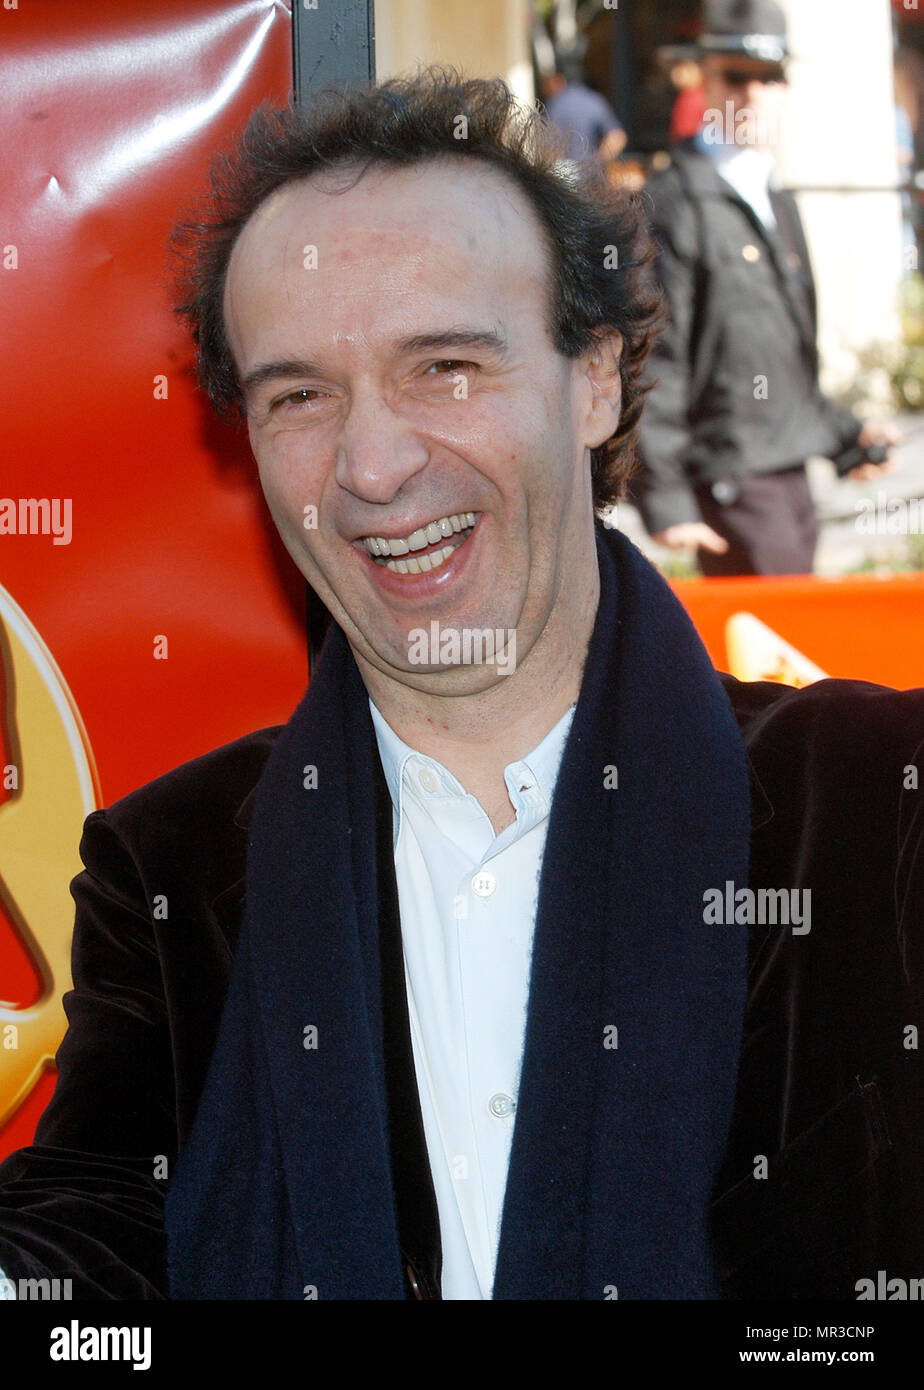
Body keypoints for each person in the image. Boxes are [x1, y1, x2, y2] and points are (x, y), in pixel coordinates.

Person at [0, 67, 921, 1302]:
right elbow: (98, 1224)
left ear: (594, 378)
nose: (373, 465)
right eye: (301, 395)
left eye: (445, 368)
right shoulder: (169, 865)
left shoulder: (875, 807)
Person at [634, 0, 899, 576]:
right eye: (736, 75)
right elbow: (655, 355)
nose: (753, 93)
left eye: (770, 76)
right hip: (735, 488)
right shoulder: (673, 201)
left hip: (790, 483)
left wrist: (845, 438)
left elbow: (775, 355)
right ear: (703, 80)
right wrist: (666, 496)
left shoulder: (772, 193)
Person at [540, 61, 626, 168]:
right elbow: (617, 137)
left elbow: (548, 149)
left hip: (564, 177)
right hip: (591, 177)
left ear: (558, 80)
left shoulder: (554, 105)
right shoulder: (594, 100)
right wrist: (597, 162)